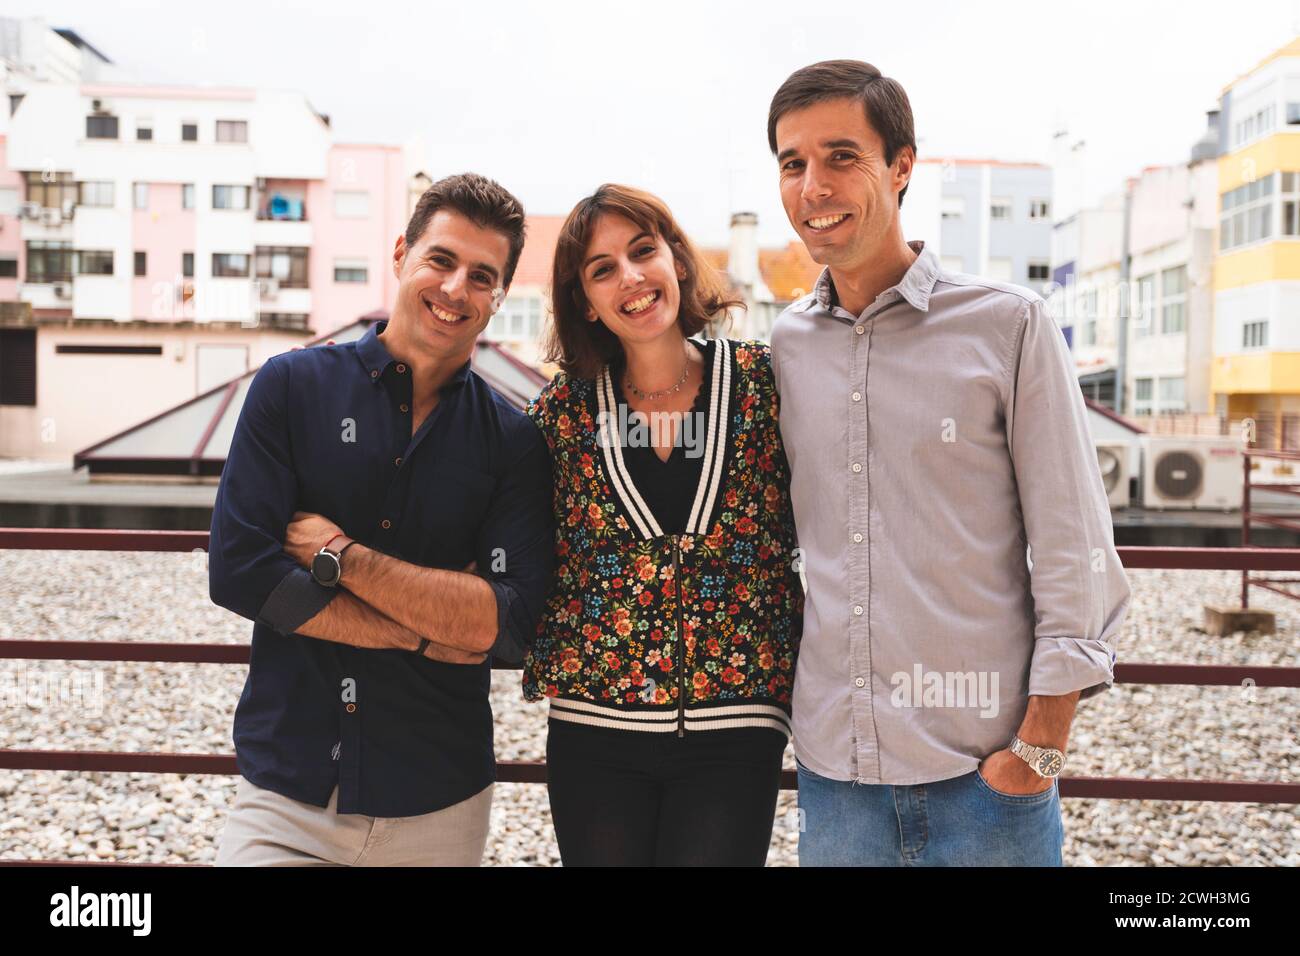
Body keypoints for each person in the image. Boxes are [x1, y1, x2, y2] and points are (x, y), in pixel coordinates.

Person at [766, 60, 1131, 866]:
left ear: (901, 167)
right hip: (838, 779)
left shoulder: (1009, 326)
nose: (812, 186)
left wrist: (1039, 746)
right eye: (792, 164)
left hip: (985, 778)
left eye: (840, 157)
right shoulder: (784, 347)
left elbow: (1072, 541)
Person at [209, 172, 554, 866]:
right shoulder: (290, 387)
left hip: (439, 807)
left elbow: (507, 624)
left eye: (481, 276)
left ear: (499, 296)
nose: (456, 289)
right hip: (287, 797)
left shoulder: (514, 441)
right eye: (441, 260)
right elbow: (241, 573)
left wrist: (339, 556)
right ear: (402, 254)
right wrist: (426, 634)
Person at [524, 183, 803, 866]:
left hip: (736, 728)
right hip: (595, 731)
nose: (630, 277)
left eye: (642, 251)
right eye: (601, 269)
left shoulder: (769, 387)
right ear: (584, 300)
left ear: (677, 260)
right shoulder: (560, 415)